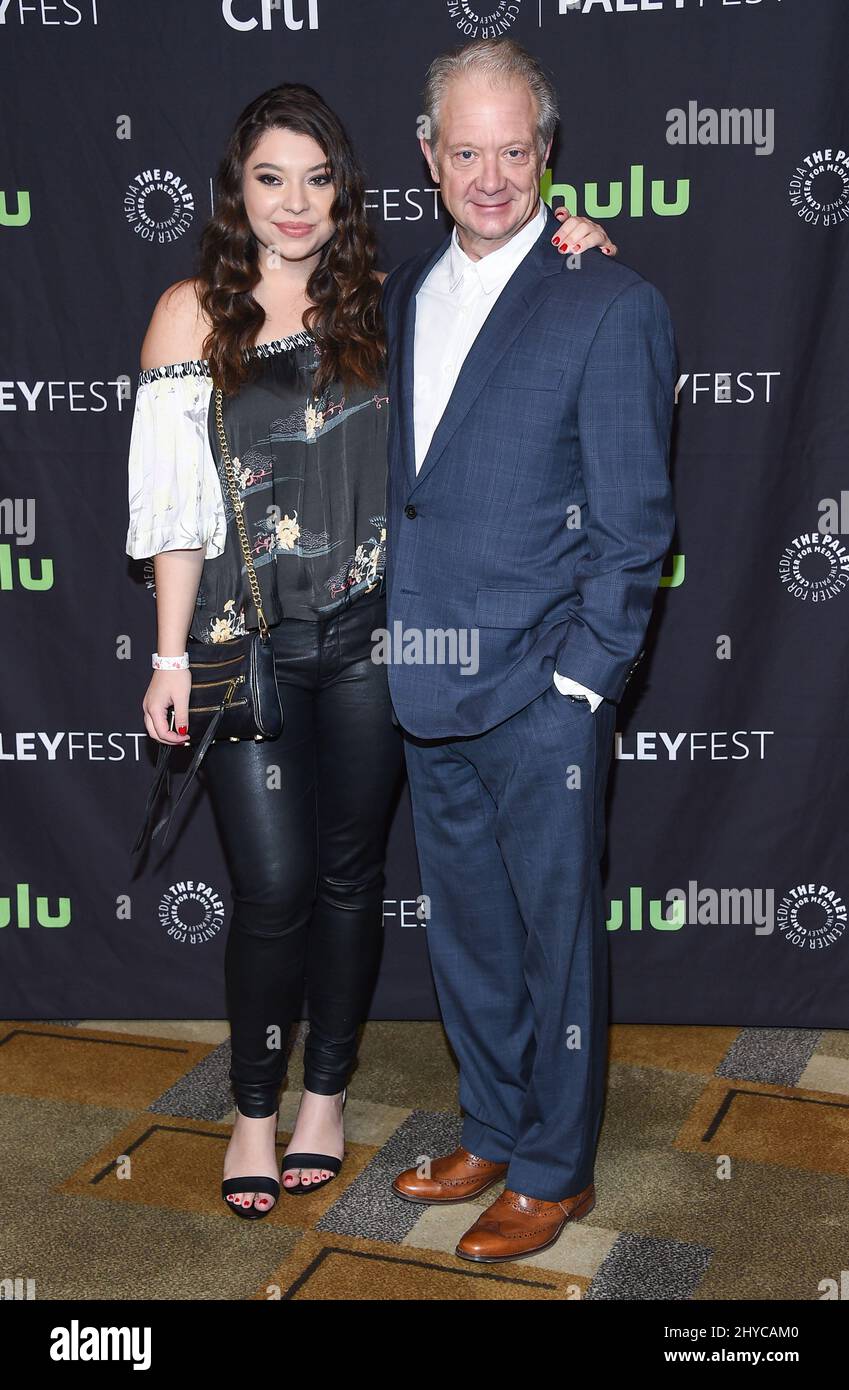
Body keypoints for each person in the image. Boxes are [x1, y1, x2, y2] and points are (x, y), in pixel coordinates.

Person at [126, 80, 616, 1218]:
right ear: (235, 189)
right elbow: (174, 511)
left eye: (316, 178)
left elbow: (508, 295)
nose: (294, 203)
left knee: (351, 881)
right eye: (269, 178)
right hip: (240, 645)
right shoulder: (188, 312)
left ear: (346, 189)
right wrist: (165, 657)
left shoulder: (389, 306)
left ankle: (325, 1100)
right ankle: (254, 1105)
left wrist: (575, 235)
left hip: (372, 647)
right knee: (274, 885)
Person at [384, 38, 676, 1262]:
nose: (493, 176)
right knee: (470, 935)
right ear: (430, 156)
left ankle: (555, 1169)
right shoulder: (409, 291)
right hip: (427, 676)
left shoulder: (611, 300)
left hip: (542, 692)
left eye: (517, 150)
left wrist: (578, 686)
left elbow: (635, 525)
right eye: (469, 151)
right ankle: (495, 1126)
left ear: (548, 154)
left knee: (555, 946)